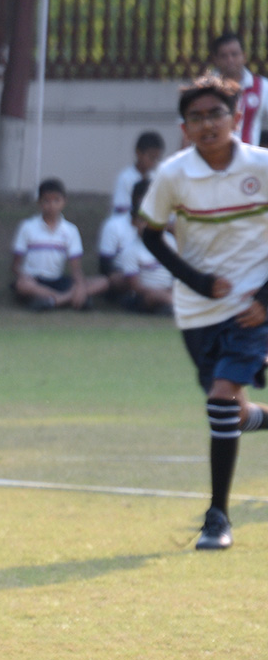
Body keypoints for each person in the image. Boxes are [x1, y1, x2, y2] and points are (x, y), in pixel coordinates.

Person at [137, 72, 268, 550]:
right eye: (197, 117)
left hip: (254, 307)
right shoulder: (173, 175)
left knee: (219, 396)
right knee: (227, 408)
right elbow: (149, 233)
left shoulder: (263, 166)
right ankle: (260, 414)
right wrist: (196, 281)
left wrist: (265, 300)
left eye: (217, 114)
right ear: (184, 127)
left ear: (236, 118)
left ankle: (218, 517)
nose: (208, 123)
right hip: (196, 310)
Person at [12, 178, 105, 311]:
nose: (51, 206)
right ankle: (67, 298)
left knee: (102, 282)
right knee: (22, 285)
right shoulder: (27, 227)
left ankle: (53, 301)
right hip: (35, 280)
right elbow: (15, 265)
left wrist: (79, 285)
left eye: (56, 201)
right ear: (39, 202)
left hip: (58, 280)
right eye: (46, 201)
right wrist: (23, 275)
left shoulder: (70, 230)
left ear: (64, 202)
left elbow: (76, 268)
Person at [117, 179, 175, 315]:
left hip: (168, 291)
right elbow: (135, 286)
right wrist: (159, 293)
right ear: (133, 223)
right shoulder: (130, 250)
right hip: (145, 295)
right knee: (152, 297)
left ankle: (168, 306)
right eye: (141, 220)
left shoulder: (171, 243)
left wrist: (170, 290)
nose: (145, 225)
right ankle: (172, 305)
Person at [211, 32, 262, 146]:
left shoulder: (262, 87)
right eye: (224, 56)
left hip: (250, 161)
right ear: (215, 59)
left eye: (234, 54)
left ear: (244, 56)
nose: (230, 60)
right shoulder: (204, 88)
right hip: (211, 160)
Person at [113, 130, 166, 214]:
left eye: (157, 159)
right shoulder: (125, 178)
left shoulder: (155, 177)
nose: (154, 162)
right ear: (139, 153)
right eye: (151, 157)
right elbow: (120, 208)